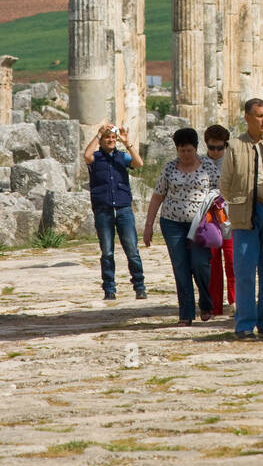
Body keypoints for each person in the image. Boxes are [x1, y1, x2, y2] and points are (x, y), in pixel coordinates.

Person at [219, 98, 263, 340]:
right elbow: (225, 185)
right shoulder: (234, 146)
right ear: (247, 117)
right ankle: (245, 324)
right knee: (245, 270)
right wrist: (240, 201)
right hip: (246, 213)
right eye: (259, 115)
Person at [143, 128, 213, 325]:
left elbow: (219, 193)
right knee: (181, 267)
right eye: (181, 150)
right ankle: (186, 313)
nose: (185, 154)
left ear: (196, 148)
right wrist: (149, 225)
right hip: (172, 223)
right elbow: (158, 195)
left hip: (200, 224)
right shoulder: (169, 168)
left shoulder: (208, 166)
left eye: (189, 150)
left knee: (200, 264)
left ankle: (206, 302)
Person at [84, 122, 147, 303]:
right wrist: (98, 134)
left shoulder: (122, 157)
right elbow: (86, 155)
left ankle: (140, 287)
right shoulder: (95, 157)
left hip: (123, 208)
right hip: (103, 208)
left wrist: (127, 142)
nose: (110, 140)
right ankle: (109, 289)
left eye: (113, 137)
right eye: (107, 138)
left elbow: (139, 163)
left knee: (132, 250)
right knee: (107, 252)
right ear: (102, 140)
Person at [201, 123, 234, 317]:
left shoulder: (233, 162)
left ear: (225, 146)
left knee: (232, 261)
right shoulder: (199, 163)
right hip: (208, 219)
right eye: (211, 147)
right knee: (212, 262)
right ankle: (214, 306)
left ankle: (235, 301)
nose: (215, 151)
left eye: (219, 147)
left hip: (229, 217)